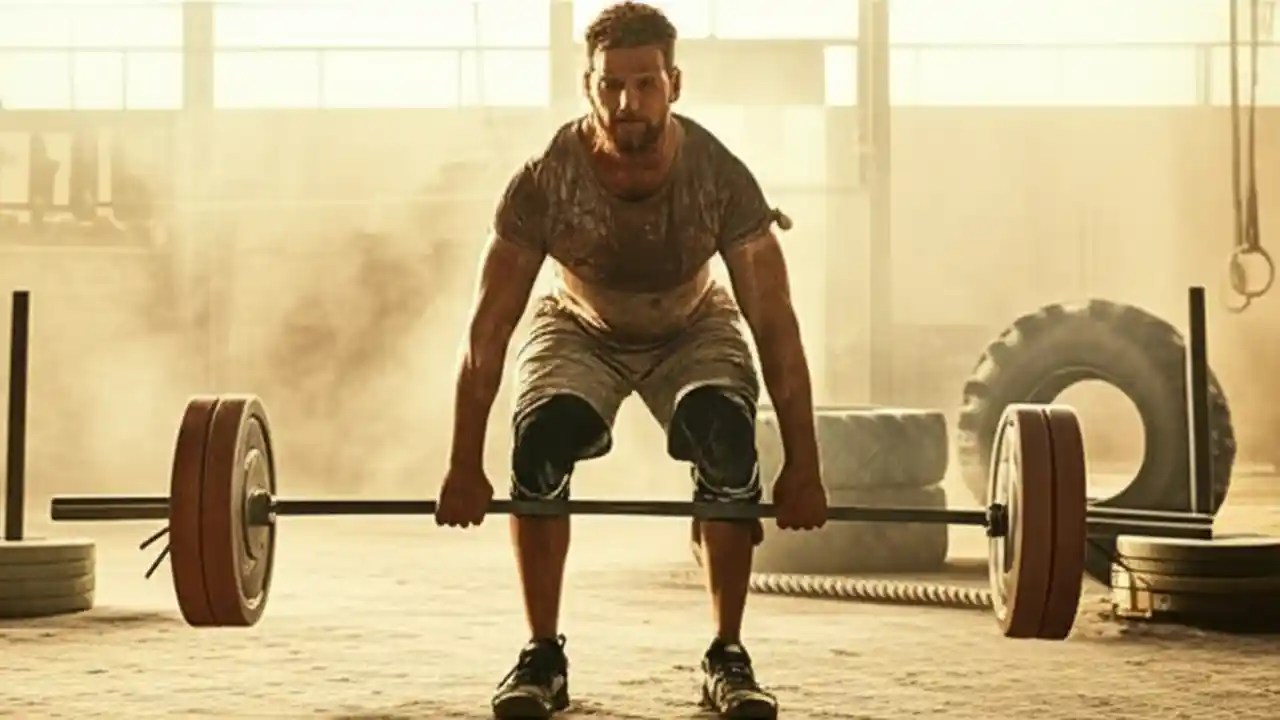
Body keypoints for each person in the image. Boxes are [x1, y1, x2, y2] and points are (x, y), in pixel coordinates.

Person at [434, 2, 828, 718]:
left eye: (644, 83)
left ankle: (727, 654)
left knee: (727, 441)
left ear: (674, 82)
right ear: (587, 86)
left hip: (693, 324)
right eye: (610, 85)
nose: (627, 102)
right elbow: (486, 332)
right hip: (579, 325)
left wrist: (804, 465)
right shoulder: (543, 181)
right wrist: (465, 463)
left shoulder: (722, 178)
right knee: (541, 443)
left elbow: (776, 327)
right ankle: (542, 655)